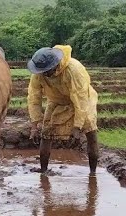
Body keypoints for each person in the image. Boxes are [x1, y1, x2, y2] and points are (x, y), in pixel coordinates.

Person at [27, 45, 100, 175]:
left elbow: (80, 98)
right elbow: (33, 97)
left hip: (83, 101)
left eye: (47, 71)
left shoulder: (73, 70)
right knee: (45, 133)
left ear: (55, 65)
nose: (45, 74)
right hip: (56, 101)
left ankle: (93, 173)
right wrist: (35, 123)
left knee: (91, 134)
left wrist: (77, 126)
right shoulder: (39, 74)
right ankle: (43, 170)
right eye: (42, 71)